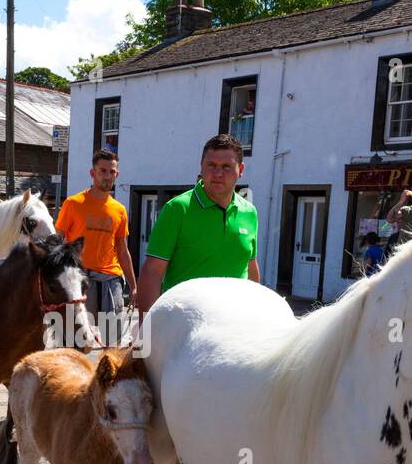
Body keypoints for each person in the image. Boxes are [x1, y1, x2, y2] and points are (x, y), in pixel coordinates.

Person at [136, 134, 260, 315]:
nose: (218, 173)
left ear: (240, 169)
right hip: (184, 323)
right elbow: (152, 271)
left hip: (235, 321)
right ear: (201, 167)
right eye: (211, 165)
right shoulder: (177, 209)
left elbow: (250, 267)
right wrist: (145, 330)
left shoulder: (250, 212)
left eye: (226, 167)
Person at [56, 149, 137, 344]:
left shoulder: (119, 210)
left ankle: (109, 374)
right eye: (103, 171)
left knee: (113, 342)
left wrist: (134, 287)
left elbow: (123, 250)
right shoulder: (73, 204)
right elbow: (57, 242)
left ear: (116, 174)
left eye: (112, 172)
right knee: (76, 340)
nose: (108, 176)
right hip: (79, 279)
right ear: (93, 173)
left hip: (111, 280)